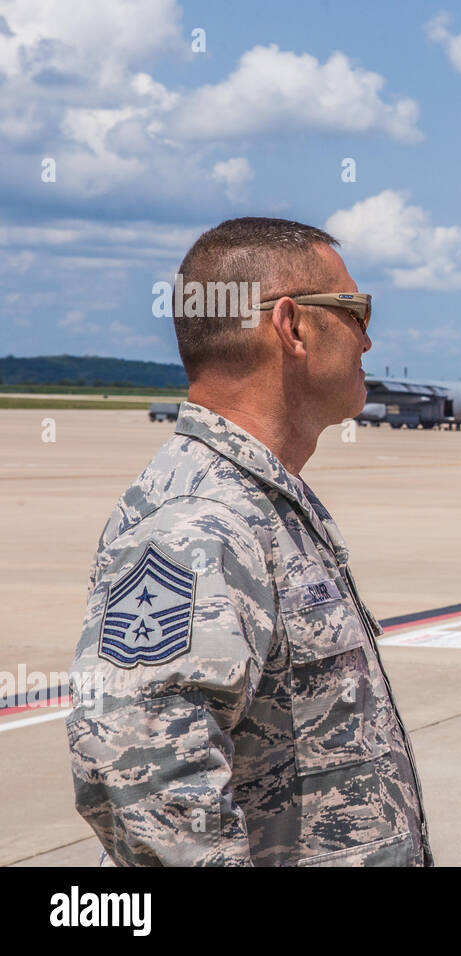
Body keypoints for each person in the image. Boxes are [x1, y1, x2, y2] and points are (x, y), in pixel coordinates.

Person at [66, 218, 432, 866]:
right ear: (292, 327)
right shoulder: (199, 521)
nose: (369, 339)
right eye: (355, 311)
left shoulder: (261, 500)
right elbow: (141, 781)